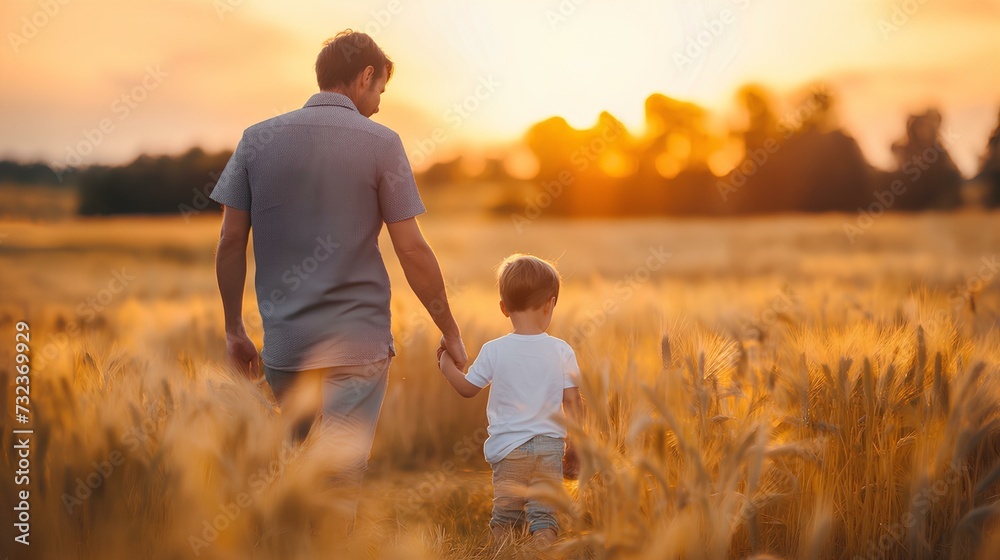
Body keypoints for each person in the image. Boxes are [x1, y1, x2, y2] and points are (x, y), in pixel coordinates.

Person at [209, 30, 467, 528]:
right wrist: (451, 330)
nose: (377, 106)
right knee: (336, 485)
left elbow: (229, 242)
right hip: (358, 348)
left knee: (294, 474)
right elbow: (411, 248)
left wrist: (233, 329)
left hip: (285, 351)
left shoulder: (256, 138)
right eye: (379, 92)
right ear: (364, 76)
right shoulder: (383, 144)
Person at [437, 254, 583, 544]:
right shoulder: (562, 351)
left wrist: (445, 365)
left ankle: (501, 553)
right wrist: (576, 445)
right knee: (544, 518)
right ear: (550, 304)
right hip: (549, 449)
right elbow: (574, 403)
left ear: (503, 307)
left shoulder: (494, 349)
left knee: (505, 518)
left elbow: (467, 388)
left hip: (508, 450)